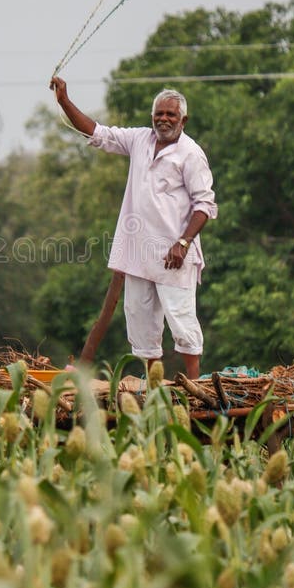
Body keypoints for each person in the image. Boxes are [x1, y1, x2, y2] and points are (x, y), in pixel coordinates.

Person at [50, 76, 217, 380]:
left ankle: (195, 387)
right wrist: (64, 101)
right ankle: (152, 387)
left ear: (184, 119)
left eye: (171, 114)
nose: (164, 119)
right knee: (141, 326)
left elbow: (204, 205)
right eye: (159, 114)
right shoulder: (140, 140)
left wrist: (183, 242)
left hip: (173, 254)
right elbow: (97, 132)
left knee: (182, 322)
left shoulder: (191, 154)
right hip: (138, 253)